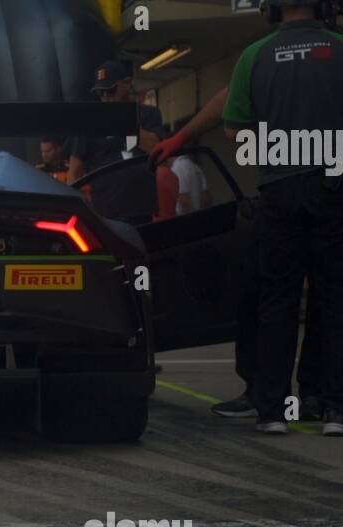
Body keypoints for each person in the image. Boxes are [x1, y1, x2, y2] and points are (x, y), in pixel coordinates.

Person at [151, 86, 325, 423]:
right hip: (330, 192)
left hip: (281, 194)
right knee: (326, 298)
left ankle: (266, 400)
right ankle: (320, 398)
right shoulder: (331, 57)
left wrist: (180, 137)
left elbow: (229, 115)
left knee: (269, 296)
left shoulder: (263, 58)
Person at [223, 0, 343, 435]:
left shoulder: (254, 55)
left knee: (278, 299)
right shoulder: (340, 48)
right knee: (333, 297)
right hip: (334, 186)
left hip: (278, 188)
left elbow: (234, 128)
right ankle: (334, 408)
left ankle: (272, 410)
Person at [67, 60, 168, 223]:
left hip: (143, 208)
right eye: (100, 93)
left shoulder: (148, 114)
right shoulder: (89, 124)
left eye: (110, 90)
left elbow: (157, 148)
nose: (106, 97)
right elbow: (74, 172)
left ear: (127, 84)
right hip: (107, 213)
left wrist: (124, 123)